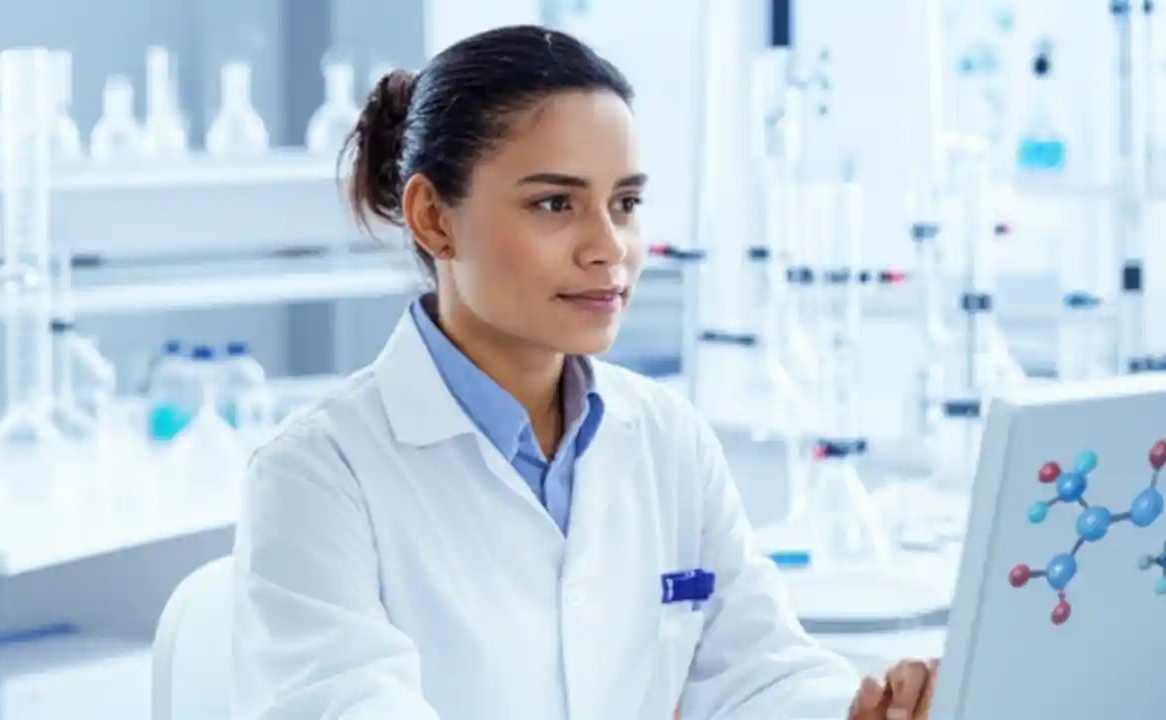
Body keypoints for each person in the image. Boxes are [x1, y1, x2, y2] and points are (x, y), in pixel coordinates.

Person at [232, 24, 937, 720]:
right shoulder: (317, 475)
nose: (610, 249)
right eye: (555, 204)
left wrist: (860, 711)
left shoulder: (669, 439)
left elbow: (754, 674)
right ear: (433, 219)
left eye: (625, 204)